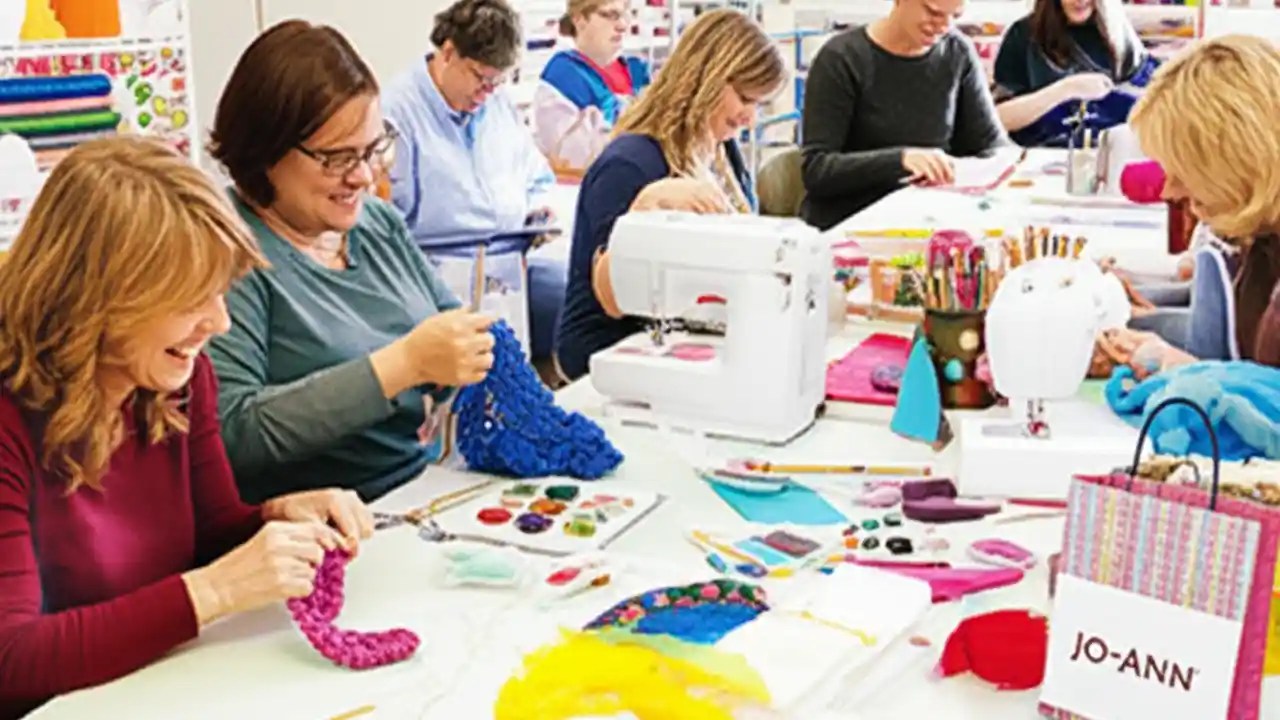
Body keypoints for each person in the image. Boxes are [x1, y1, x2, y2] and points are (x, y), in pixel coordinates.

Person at [0, 137, 375, 719]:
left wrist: (278, 519)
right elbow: (11, 660)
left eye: (220, 292)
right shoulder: (10, 418)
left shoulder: (176, 377)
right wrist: (217, 590)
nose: (220, 323)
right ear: (98, 300)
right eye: (191, 299)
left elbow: (209, 534)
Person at [207, 20, 496, 504]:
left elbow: (455, 335)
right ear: (265, 150)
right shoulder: (227, 251)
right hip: (320, 525)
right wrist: (402, 366)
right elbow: (232, 433)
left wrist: (456, 361)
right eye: (337, 158)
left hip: (420, 490)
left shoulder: (375, 223)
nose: (362, 176)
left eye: (373, 150)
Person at [553, 8, 785, 381]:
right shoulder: (629, 164)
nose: (750, 118)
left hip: (684, 335)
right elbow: (612, 300)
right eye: (744, 98)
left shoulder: (718, 150)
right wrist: (645, 208)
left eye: (758, 104)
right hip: (610, 356)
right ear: (705, 79)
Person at [383, 0, 565, 367]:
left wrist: (539, 209)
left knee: (510, 389)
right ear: (448, 52)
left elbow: (538, 176)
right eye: (480, 78)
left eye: (497, 82)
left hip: (506, 280)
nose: (486, 93)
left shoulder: (497, 105)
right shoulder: (398, 111)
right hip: (439, 285)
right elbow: (386, 222)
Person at [1117, 34, 1280, 376]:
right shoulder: (1259, 241)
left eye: (1183, 172)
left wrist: (1195, 374)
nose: (1169, 191)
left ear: (1235, 159)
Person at [799, 0, 1009, 231]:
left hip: (928, 220)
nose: (944, 26)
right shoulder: (841, 58)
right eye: (933, 12)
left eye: (955, 16)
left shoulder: (957, 52)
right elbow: (817, 170)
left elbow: (993, 148)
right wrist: (900, 160)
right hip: (850, 225)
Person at [992, 0, 1155, 147]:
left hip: (1109, 155)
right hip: (1043, 159)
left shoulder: (1118, 31)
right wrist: (1066, 89)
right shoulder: (1023, 35)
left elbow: (1153, 102)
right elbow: (998, 119)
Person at [533, 0, 653, 170]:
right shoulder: (562, 76)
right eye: (610, 15)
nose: (622, 26)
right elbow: (572, 159)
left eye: (625, 15)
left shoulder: (637, 70)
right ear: (579, 19)